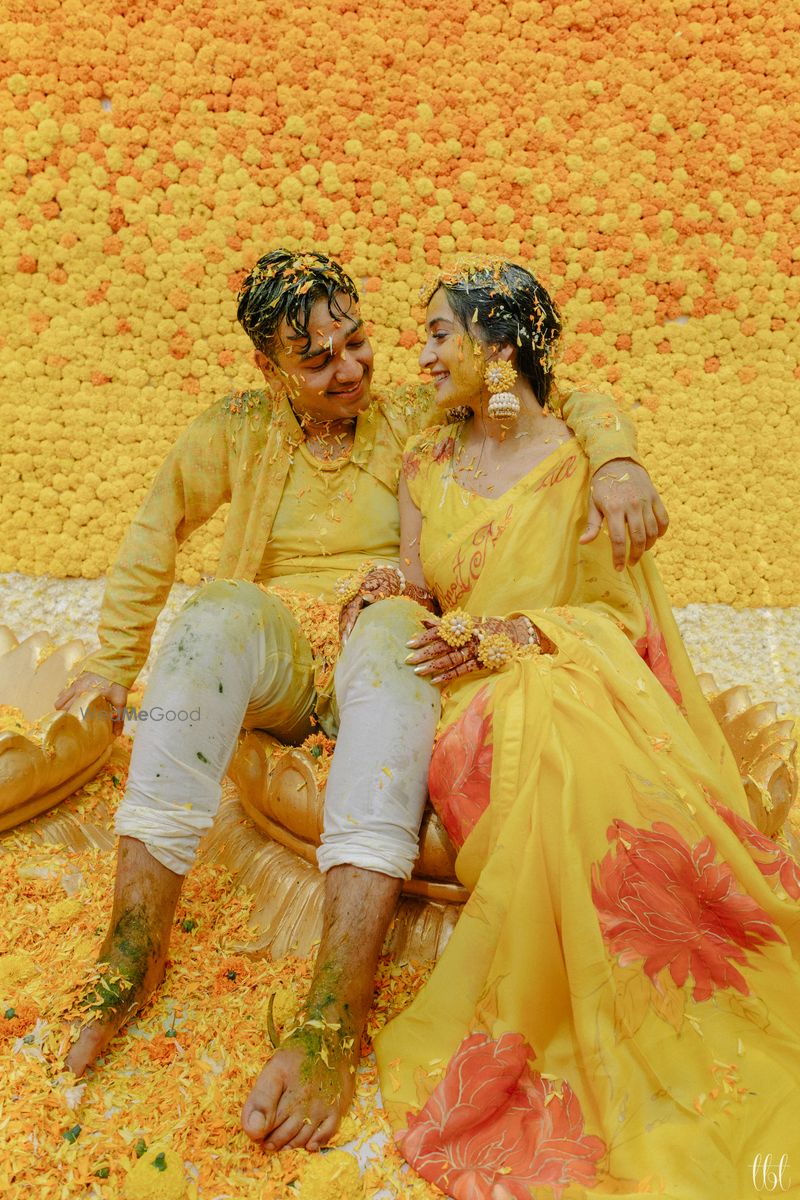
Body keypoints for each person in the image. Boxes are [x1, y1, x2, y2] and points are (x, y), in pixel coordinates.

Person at [54, 249, 668, 1153]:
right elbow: (156, 535)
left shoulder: (411, 416)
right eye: (317, 359)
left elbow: (551, 390)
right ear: (268, 369)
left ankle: (333, 1017)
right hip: (278, 658)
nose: (350, 368)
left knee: (388, 621)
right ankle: (131, 944)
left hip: (384, 653)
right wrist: (110, 665)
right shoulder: (234, 429)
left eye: (357, 341)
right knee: (214, 611)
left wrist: (616, 459)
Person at [372, 258, 800, 1199]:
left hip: (565, 681)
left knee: (561, 713)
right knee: (545, 718)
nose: (422, 353)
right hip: (462, 707)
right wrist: (382, 594)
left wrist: (521, 634)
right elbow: (417, 582)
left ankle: (659, 1009)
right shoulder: (422, 467)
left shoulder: (580, 467)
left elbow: (621, 623)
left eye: (440, 333)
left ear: (500, 346)